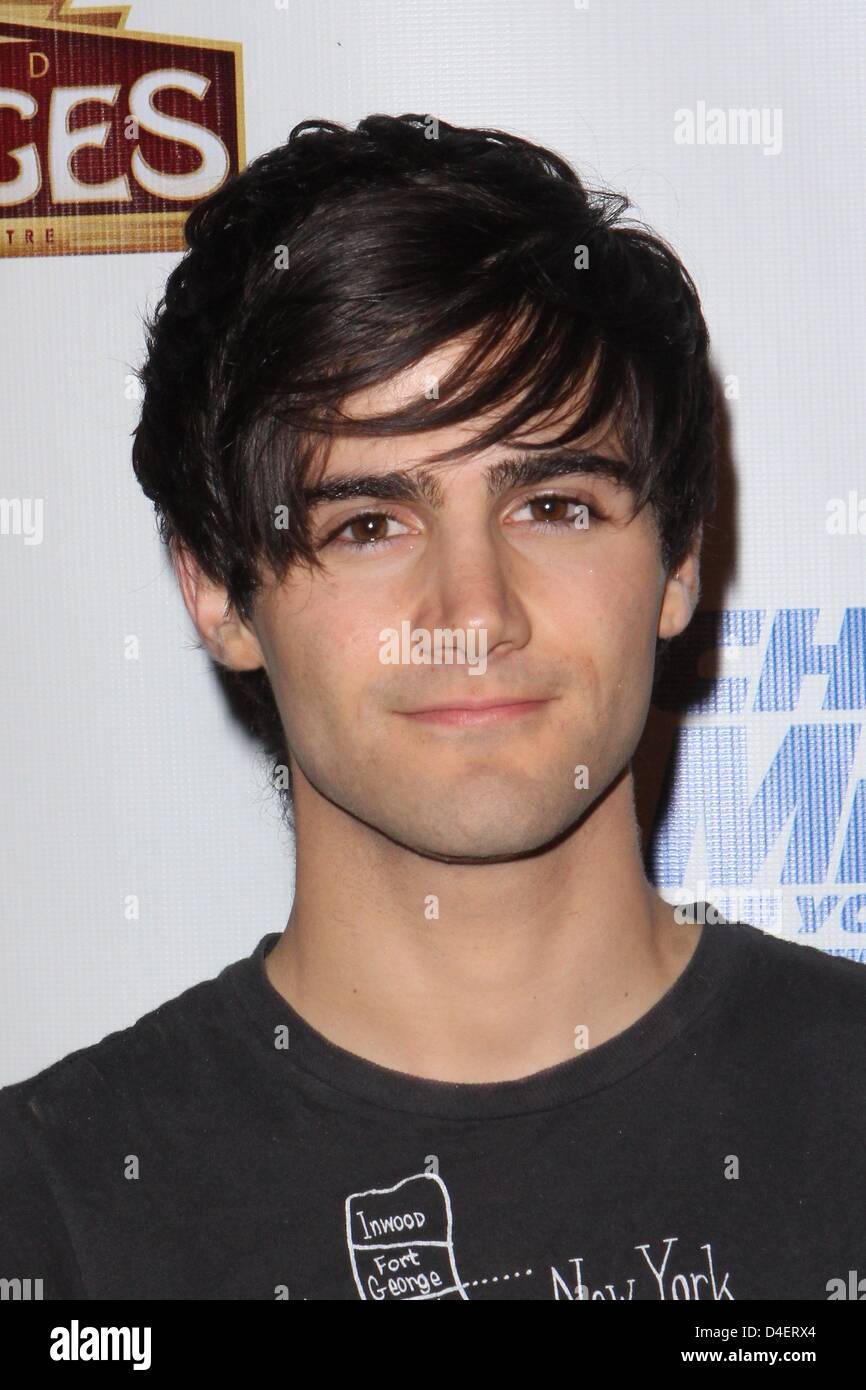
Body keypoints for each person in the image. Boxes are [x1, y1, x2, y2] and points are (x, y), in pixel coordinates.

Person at [1, 114, 863, 1302]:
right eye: (367, 524)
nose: (472, 612)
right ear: (216, 592)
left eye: (553, 505)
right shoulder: (49, 1216)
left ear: (676, 562)